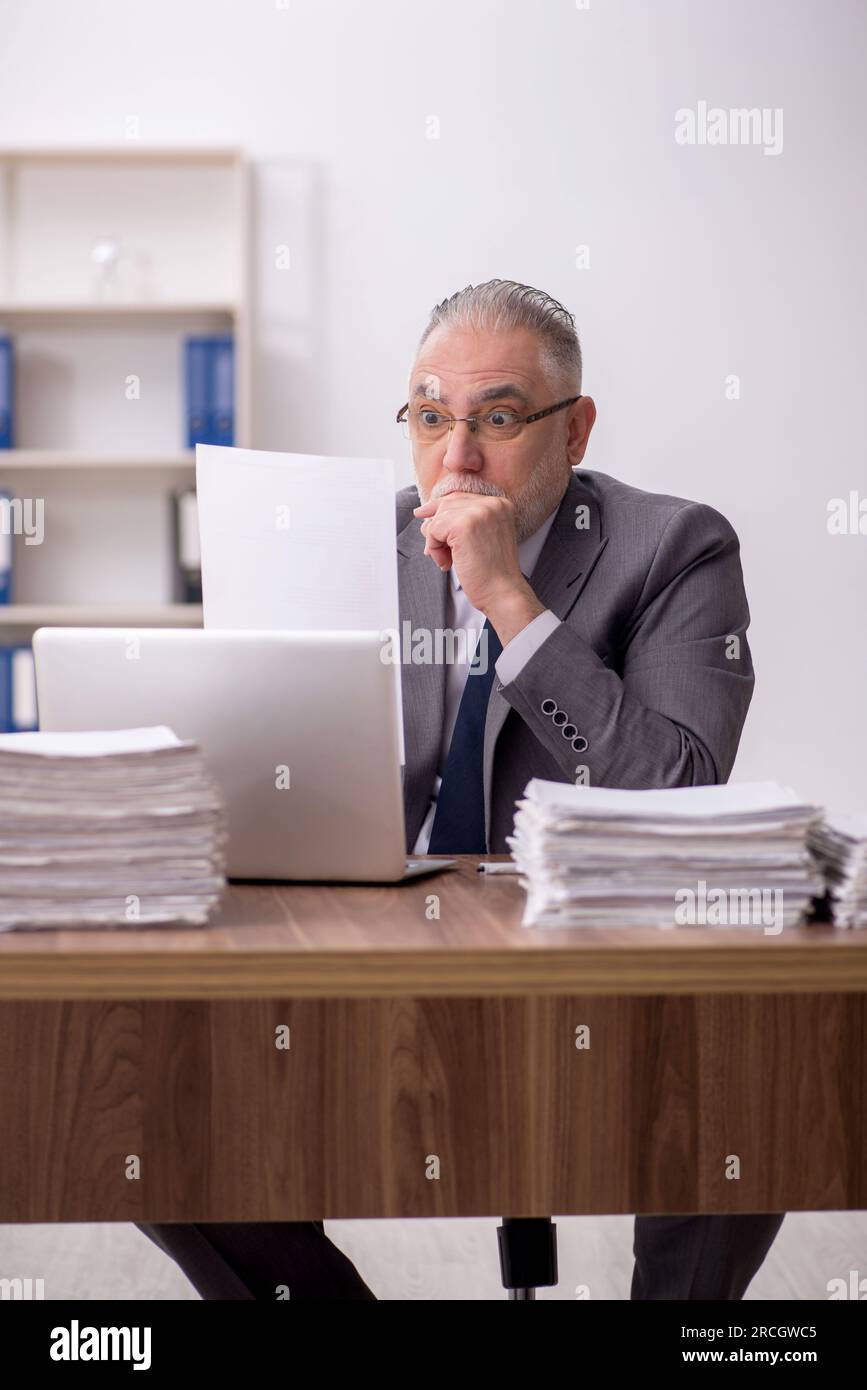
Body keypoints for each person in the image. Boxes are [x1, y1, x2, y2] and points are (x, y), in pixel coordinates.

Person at [138, 279, 783, 1299]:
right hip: (371, 964)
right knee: (146, 1090)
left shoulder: (677, 547)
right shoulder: (347, 543)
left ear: (575, 429)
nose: (458, 456)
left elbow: (681, 786)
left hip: (601, 977)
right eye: (432, 417)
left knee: (748, 1054)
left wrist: (509, 603)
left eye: (496, 417)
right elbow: (261, 780)